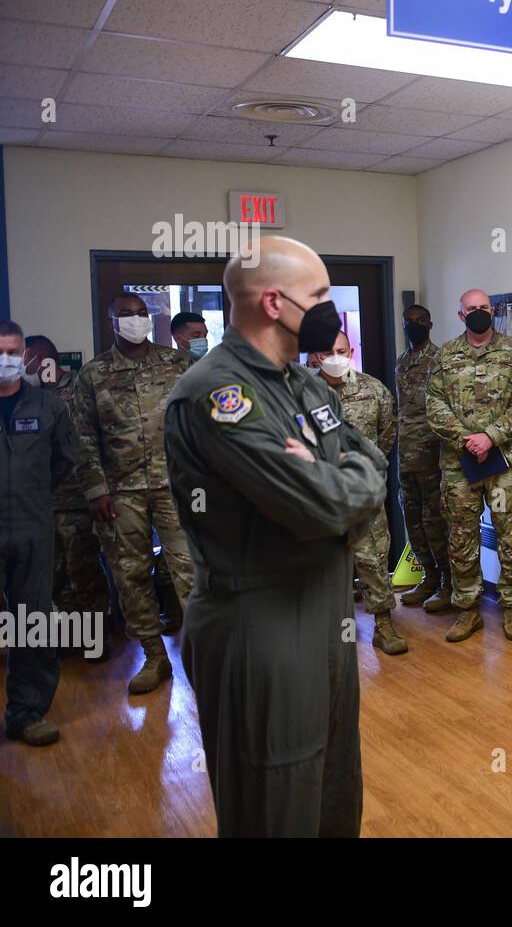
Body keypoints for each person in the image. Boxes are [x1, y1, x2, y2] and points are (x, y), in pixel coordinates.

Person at [164, 236, 388, 837]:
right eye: (317, 296)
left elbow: (370, 468)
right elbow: (324, 504)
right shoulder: (217, 392)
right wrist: (332, 482)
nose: (328, 310)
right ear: (273, 302)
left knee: (335, 789)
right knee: (277, 802)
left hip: (327, 615)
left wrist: (332, 476)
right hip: (259, 626)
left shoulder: (302, 382)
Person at [73, 293, 194, 694]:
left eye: (142, 314)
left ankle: (204, 653)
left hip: (174, 486)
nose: (136, 320)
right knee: (131, 574)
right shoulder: (94, 374)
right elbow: (84, 439)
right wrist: (96, 490)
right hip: (120, 492)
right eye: (126, 315)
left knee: (190, 569)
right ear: (112, 322)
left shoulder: (178, 364)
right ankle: (154, 657)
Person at [426, 289, 512, 643]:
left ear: (493, 311)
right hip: (460, 467)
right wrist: (466, 440)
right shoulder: (445, 356)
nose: (478, 313)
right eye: (471, 309)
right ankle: (468, 610)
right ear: (460, 315)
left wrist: (489, 437)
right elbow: (435, 406)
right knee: (461, 539)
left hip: (506, 463)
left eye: (483, 308)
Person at [1, 320, 77, 746]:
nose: (7, 361)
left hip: (32, 527)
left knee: (33, 623)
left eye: (14, 352)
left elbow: (65, 461)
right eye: (0, 352)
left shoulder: (49, 407)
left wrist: (31, 495)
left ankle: (27, 714)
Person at [306, 330, 405, 656]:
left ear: (351, 351)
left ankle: (383, 624)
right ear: (316, 355)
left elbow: (387, 435)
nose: (334, 356)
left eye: (341, 350)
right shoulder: (298, 393)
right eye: (326, 350)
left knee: (373, 557)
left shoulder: (373, 389)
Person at [23, 336, 111, 658]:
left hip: (75, 497)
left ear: (37, 357)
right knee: (53, 574)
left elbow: (88, 442)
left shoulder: (78, 389)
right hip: (38, 503)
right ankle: (71, 636)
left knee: (83, 571)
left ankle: (96, 639)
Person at [392, 304, 452, 612]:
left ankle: (448, 583)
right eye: (408, 321)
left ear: (430, 323)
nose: (413, 325)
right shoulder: (402, 361)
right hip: (406, 457)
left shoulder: (440, 359)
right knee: (412, 522)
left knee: (435, 522)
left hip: (432, 457)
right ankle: (428, 578)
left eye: (419, 321)